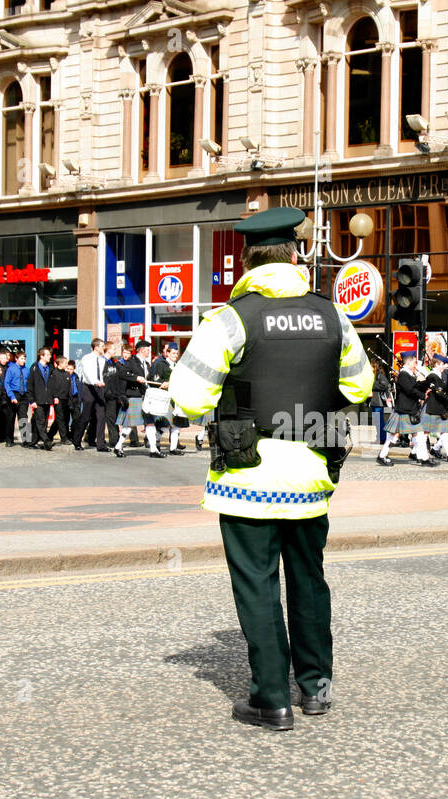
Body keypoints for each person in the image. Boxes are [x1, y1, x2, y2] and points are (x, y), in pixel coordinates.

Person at [172, 206, 375, 732]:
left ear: (247, 260)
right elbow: (359, 386)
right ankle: (315, 689)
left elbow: (188, 395)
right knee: (308, 581)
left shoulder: (231, 318)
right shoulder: (332, 315)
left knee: (258, 585)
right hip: (311, 478)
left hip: (247, 481)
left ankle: (271, 699)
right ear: (295, 253)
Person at [376, 351, 435, 467]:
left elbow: (415, 387)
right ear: (409, 362)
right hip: (405, 410)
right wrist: (423, 395)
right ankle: (382, 456)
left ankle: (423, 458)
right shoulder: (403, 374)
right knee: (394, 436)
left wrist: (426, 383)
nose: (415, 365)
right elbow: (411, 390)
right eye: (414, 362)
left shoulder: (408, 374)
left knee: (418, 435)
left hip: (409, 410)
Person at [116, 340, 152, 455]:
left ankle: (154, 449)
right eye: (147, 350)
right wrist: (136, 377)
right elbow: (122, 374)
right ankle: (118, 445)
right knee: (130, 424)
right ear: (141, 350)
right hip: (133, 395)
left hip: (144, 396)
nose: (148, 352)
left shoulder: (146, 364)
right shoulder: (132, 362)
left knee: (151, 423)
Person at [73, 339, 109, 452]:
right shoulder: (87, 358)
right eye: (102, 346)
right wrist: (95, 382)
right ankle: (77, 441)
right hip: (89, 388)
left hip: (100, 389)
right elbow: (87, 373)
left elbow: (103, 374)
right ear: (96, 347)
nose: (104, 348)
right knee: (86, 416)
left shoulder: (103, 360)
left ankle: (100, 444)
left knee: (101, 416)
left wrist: (103, 384)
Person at [149, 341, 184, 457]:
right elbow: (155, 381)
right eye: (173, 353)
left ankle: (173, 448)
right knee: (166, 424)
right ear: (167, 353)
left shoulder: (179, 366)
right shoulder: (161, 364)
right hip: (166, 398)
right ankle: (154, 439)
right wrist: (164, 383)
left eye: (177, 353)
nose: (175, 355)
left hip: (177, 398)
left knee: (177, 425)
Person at [421, 354, 448, 461]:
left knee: (445, 431)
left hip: (439, 407)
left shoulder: (439, 375)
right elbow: (438, 392)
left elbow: (443, 390)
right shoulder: (432, 376)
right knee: (425, 433)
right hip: (431, 408)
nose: (445, 367)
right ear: (437, 364)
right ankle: (420, 455)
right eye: (443, 364)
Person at [26, 347, 58, 451]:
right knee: (40, 421)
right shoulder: (34, 368)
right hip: (38, 399)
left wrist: (54, 396)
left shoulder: (50, 368)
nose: (50, 357)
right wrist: (32, 400)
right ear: (41, 356)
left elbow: (53, 384)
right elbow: (30, 385)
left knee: (42, 422)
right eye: (48, 355)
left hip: (47, 399)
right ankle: (46, 440)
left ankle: (33, 442)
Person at [5, 351, 29, 447]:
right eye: (21, 358)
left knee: (23, 417)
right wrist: (12, 396)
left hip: (24, 395)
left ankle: (25, 440)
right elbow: (7, 383)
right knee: (11, 418)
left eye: (24, 358)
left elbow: (28, 383)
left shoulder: (26, 370)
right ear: (16, 359)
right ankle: (9, 440)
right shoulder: (11, 369)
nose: (23, 360)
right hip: (14, 394)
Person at [369, 357, 392, 449]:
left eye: (372, 365)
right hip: (374, 402)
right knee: (377, 421)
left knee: (379, 421)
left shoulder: (379, 375)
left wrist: (371, 384)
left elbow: (385, 385)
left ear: (375, 366)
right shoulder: (375, 375)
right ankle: (379, 437)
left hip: (378, 402)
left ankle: (382, 438)